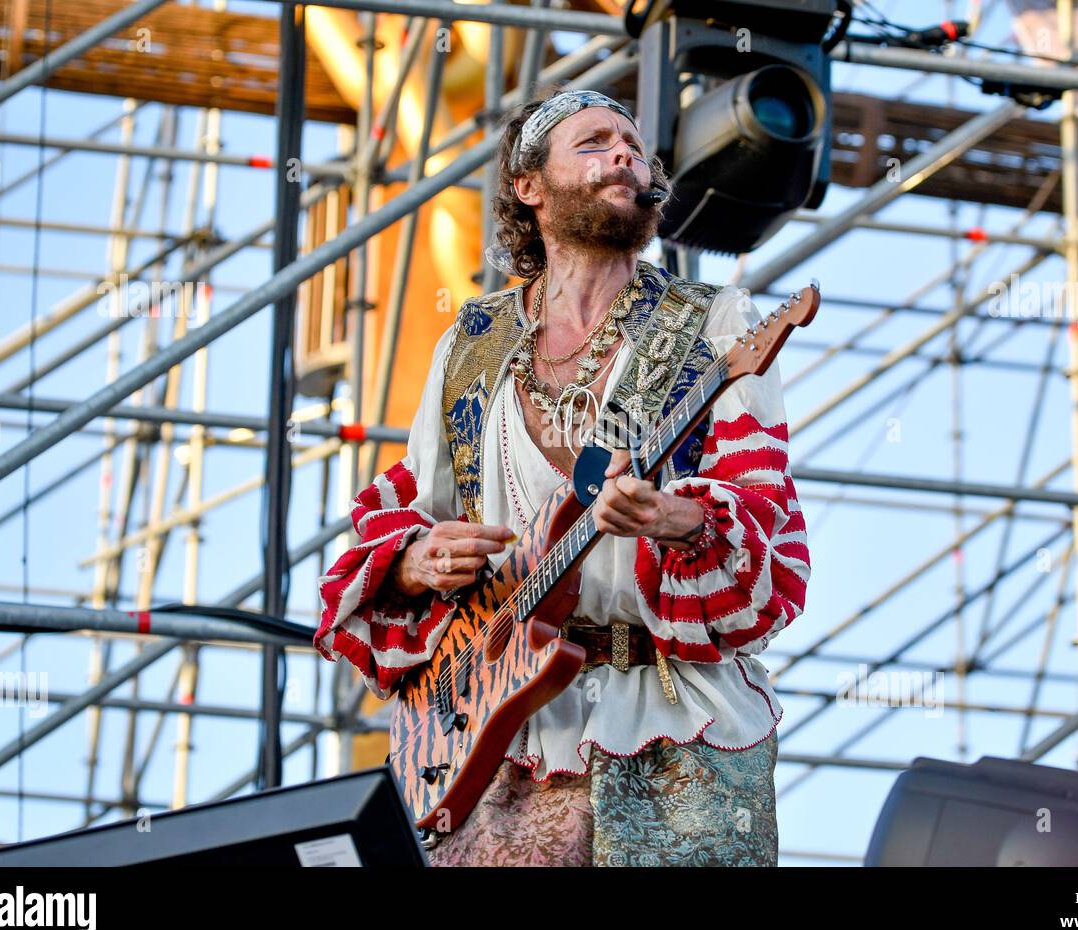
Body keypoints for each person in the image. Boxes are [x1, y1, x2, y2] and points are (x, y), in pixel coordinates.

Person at [313, 86, 811, 866]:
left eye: (633, 145)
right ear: (528, 186)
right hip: (494, 722)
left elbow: (763, 510)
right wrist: (414, 562)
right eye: (594, 142)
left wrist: (675, 520)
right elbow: (409, 504)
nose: (624, 154)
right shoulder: (470, 343)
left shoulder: (714, 321)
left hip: (672, 716)